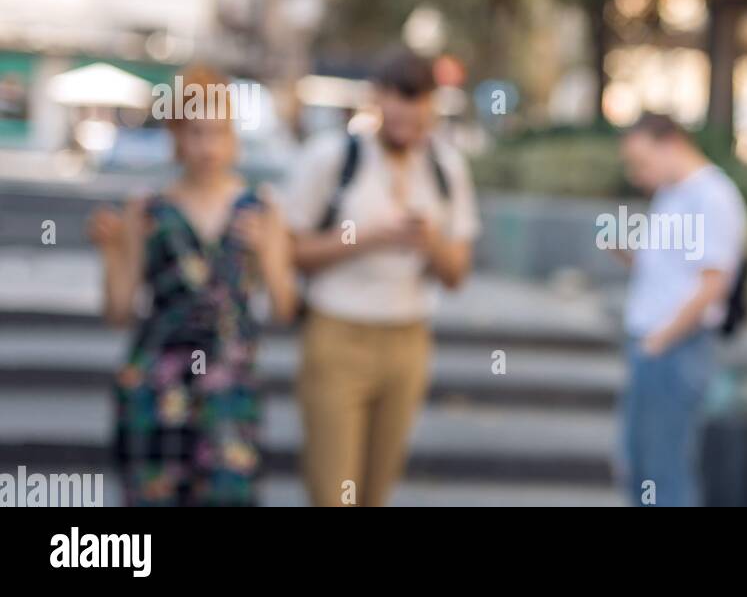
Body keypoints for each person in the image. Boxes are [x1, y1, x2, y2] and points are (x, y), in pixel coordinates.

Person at [86, 65, 297, 506]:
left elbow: (284, 308)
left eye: (218, 132)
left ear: (234, 134)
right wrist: (111, 253)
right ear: (176, 136)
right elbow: (118, 311)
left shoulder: (260, 208)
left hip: (229, 386)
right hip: (156, 383)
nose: (208, 146)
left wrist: (265, 254)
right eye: (196, 132)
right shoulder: (146, 209)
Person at [285, 46, 480, 507]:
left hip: (408, 339)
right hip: (337, 334)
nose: (406, 117)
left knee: (376, 494)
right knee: (333, 492)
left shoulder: (447, 168)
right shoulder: (333, 157)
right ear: (376, 98)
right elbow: (292, 252)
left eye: (418, 104)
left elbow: (456, 275)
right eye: (397, 100)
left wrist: (430, 242)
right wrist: (367, 238)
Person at [616, 113, 747, 506]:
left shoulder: (713, 195)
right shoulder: (672, 192)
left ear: (670, 142)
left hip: (676, 346)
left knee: (665, 469)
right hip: (654, 342)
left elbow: (714, 283)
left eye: (642, 162)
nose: (638, 175)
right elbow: (668, 270)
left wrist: (660, 340)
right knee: (641, 464)